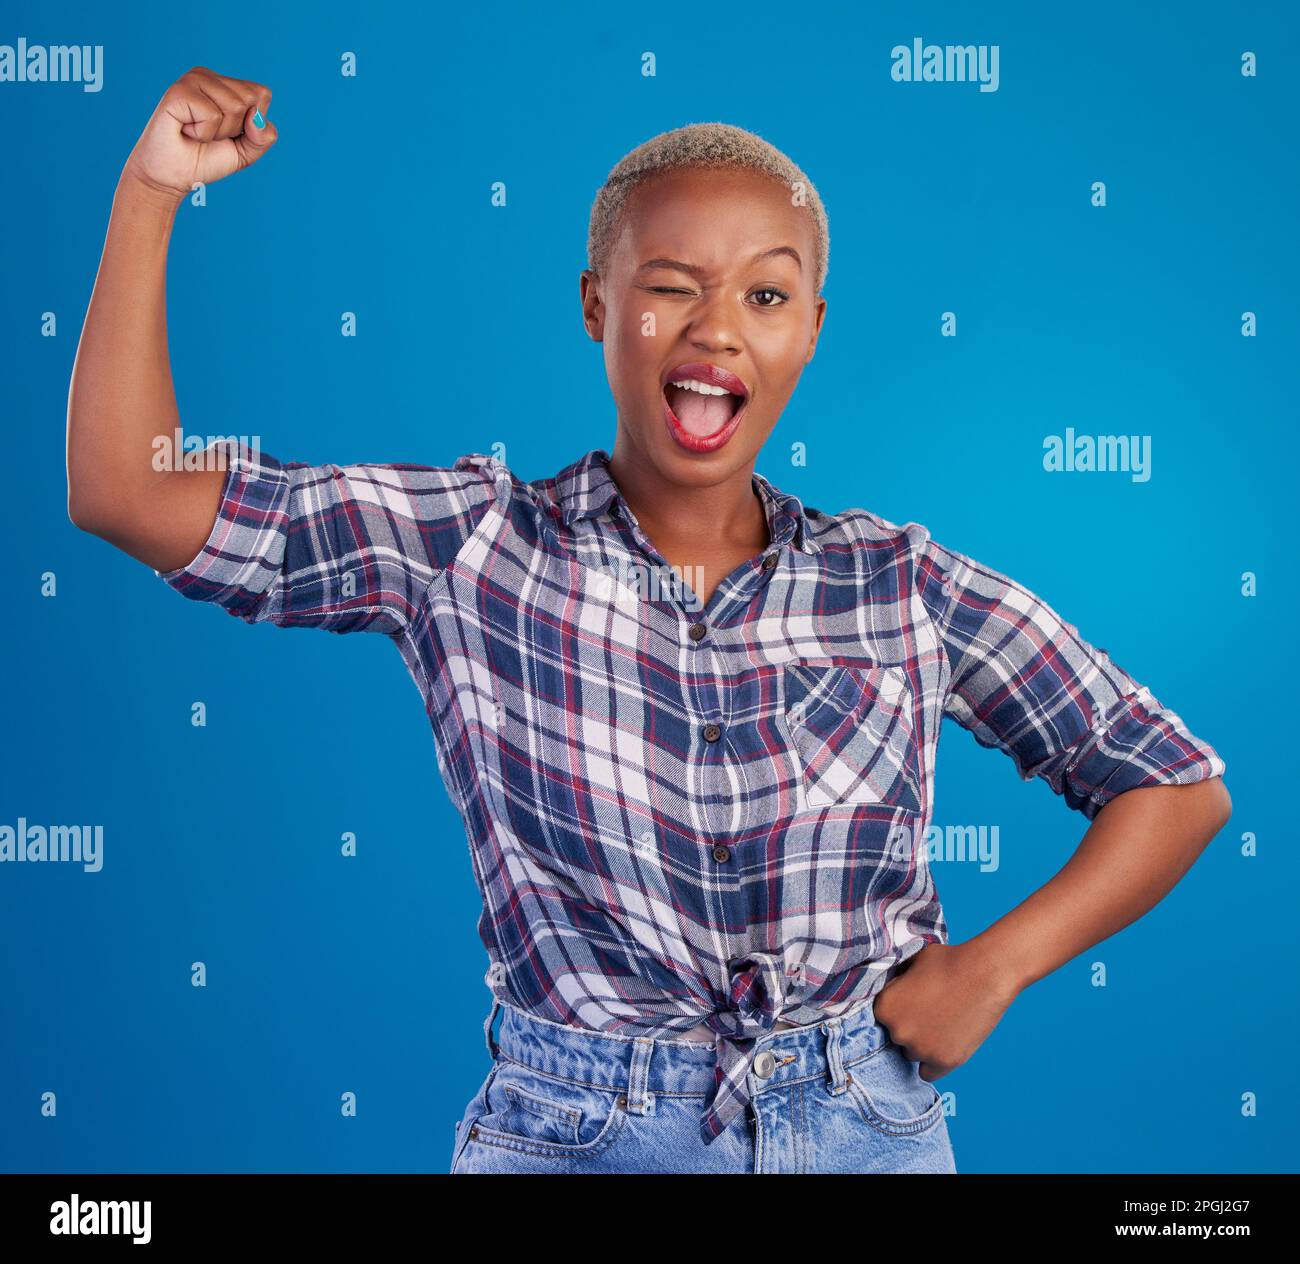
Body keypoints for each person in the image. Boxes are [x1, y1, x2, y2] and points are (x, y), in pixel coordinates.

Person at [66, 67, 1231, 1175]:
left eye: (765, 295)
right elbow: (130, 491)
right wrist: (152, 191)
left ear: (811, 329)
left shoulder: (897, 585)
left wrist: (990, 971)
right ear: (595, 305)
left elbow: (1173, 784)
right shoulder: (472, 544)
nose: (716, 327)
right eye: (670, 284)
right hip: (576, 1128)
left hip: (866, 1124)